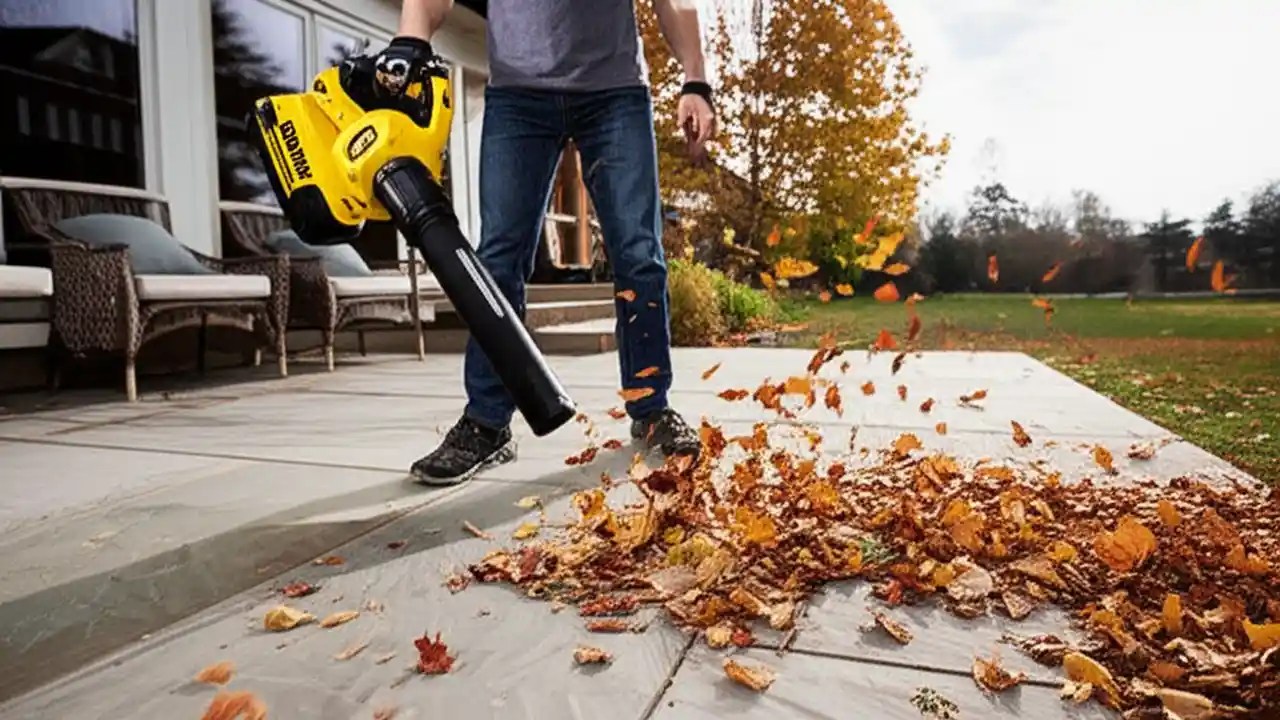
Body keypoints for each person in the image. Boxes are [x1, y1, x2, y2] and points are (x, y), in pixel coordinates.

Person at [363, 0, 716, 486]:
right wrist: (409, 44)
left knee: (638, 254)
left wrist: (695, 80)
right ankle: (487, 424)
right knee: (497, 259)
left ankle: (651, 408)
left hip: (614, 91)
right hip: (517, 95)